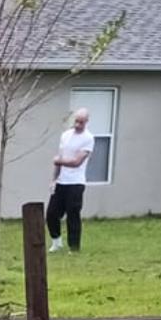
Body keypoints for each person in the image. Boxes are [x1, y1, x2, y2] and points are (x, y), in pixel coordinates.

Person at [46, 108, 95, 253]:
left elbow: (76, 162)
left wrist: (59, 160)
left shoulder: (88, 138)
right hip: (62, 181)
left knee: (73, 215)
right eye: (76, 121)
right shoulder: (65, 136)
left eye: (81, 122)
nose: (78, 124)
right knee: (51, 213)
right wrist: (54, 179)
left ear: (86, 122)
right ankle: (56, 242)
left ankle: (74, 247)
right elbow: (59, 159)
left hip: (76, 183)